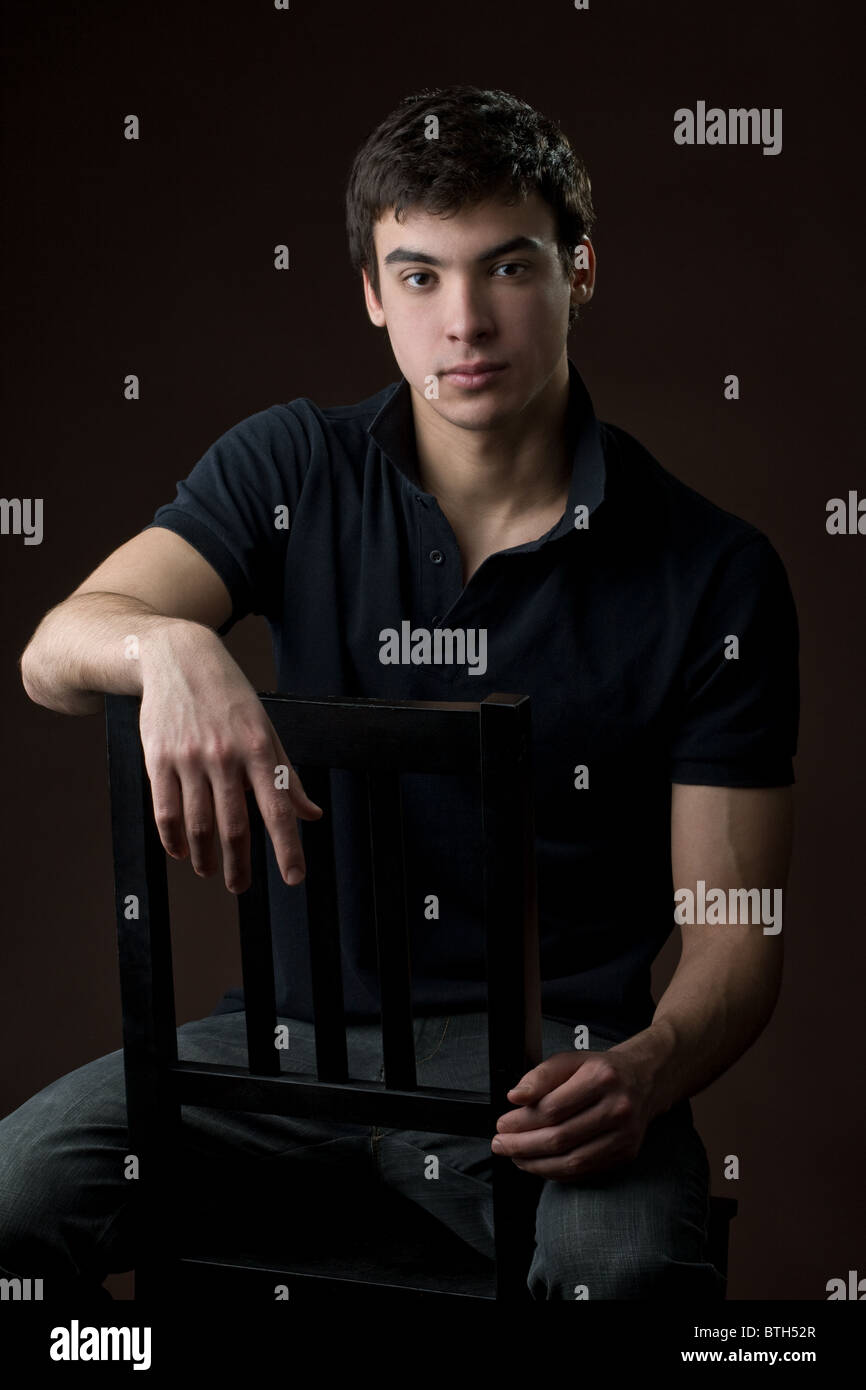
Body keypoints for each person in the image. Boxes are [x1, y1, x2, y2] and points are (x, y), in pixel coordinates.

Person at [7, 84, 798, 1302]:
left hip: (551, 1071)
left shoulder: (713, 571)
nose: (464, 322)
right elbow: (60, 645)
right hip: (278, 1057)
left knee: (624, 1284)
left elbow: (734, 931)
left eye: (508, 267)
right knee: (15, 1197)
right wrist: (172, 651)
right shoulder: (287, 465)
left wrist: (645, 1068)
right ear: (373, 295)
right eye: (419, 276)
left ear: (580, 270)